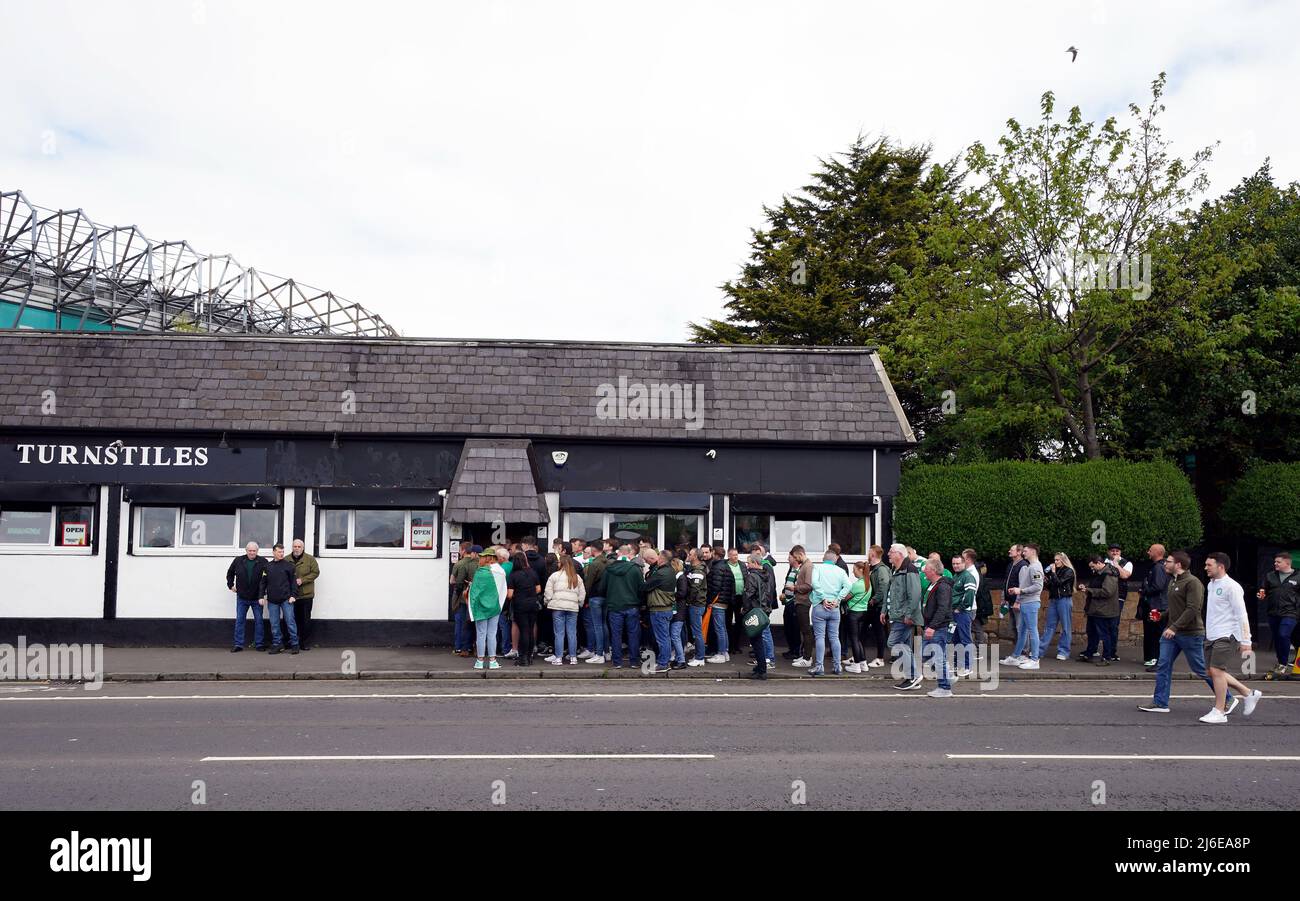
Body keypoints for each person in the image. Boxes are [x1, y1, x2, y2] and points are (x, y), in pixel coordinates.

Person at [1139, 551, 1237, 715]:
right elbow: (1176, 608)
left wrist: (1174, 627)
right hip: (1171, 634)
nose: (1165, 564)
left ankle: (1228, 698)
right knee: (1163, 666)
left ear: (1178, 565)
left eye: (1168, 561)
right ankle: (1160, 702)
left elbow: (1192, 609)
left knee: (1201, 669)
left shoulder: (1193, 583)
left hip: (1191, 634)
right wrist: (1162, 615)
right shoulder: (1173, 581)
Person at [1200, 552, 1263, 723]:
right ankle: (1248, 693)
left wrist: (1246, 641)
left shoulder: (1232, 586)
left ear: (1220, 566)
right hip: (1211, 634)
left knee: (1217, 671)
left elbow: (1242, 614)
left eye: (1209, 565)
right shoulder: (1211, 584)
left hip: (1227, 635)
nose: (1205, 568)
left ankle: (1219, 711)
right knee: (1209, 672)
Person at [885, 543, 923, 690]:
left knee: (893, 643)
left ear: (899, 554)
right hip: (897, 615)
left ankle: (913, 674)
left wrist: (908, 614)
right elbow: (891, 593)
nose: (888, 554)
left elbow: (914, 595)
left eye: (891, 551)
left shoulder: (910, 570)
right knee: (904, 645)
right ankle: (912, 677)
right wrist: (884, 611)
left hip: (904, 617)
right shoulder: (896, 570)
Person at [808, 550, 851, 677]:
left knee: (820, 637)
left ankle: (819, 667)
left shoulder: (817, 568)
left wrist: (822, 598)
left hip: (820, 606)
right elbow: (848, 586)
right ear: (835, 560)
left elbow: (814, 583)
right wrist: (838, 599)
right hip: (834, 608)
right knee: (834, 637)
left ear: (823, 558)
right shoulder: (840, 571)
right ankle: (837, 667)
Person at [1003, 543, 1044, 669]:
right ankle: (1016, 656)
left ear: (1032, 551)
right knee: (1023, 631)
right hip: (1027, 602)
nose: (1023, 553)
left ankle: (1034, 659)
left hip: (1031, 603)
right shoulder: (1032, 566)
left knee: (1032, 631)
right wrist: (1018, 592)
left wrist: (1020, 591)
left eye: (1025, 551)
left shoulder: (1035, 567)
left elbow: (1038, 586)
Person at [1258, 552, 1299, 676]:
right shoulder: (1270, 576)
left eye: (1278, 562)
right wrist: (1261, 594)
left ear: (1287, 563)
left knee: (1283, 634)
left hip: (1291, 612)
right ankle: (1281, 662)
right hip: (1273, 612)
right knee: (1277, 637)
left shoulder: (1298, 576)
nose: (1275, 564)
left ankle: (1283, 663)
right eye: (1275, 561)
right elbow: (1263, 589)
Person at [604, 545, 645, 669]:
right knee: (633, 634)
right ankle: (634, 662)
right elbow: (641, 588)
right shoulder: (635, 569)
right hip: (632, 606)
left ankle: (617, 662)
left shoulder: (609, 569)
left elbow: (602, 587)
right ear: (629, 554)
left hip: (614, 606)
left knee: (616, 635)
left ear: (618, 554)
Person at [740, 551, 776, 679]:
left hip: (754, 611)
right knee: (760, 639)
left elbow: (748, 595)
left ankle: (761, 670)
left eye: (749, 562)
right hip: (764, 610)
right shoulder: (766, 574)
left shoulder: (752, 577)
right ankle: (761, 667)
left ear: (755, 563)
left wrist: (744, 610)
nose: (747, 565)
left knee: (757, 641)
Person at [1078, 555, 1120, 664]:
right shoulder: (1100, 573)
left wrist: (1089, 590)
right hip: (1095, 609)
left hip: (1103, 610)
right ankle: (1089, 653)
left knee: (1104, 634)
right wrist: (1087, 587)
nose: (1092, 569)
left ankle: (1106, 657)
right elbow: (1096, 585)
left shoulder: (1109, 574)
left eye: (1093, 566)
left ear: (1098, 563)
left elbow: (1107, 592)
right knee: (1092, 632)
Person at [227, 541, 268, 652]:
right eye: (250, 550)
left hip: (257, 598)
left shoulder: (263, 562)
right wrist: (231, 585)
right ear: (246, 551)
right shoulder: (238, 560)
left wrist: (264, 594)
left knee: (259, 621)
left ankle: (259, 644)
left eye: (254, 551)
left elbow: (267, 579)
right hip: (242, 597)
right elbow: (230, 573)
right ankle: (238, 644)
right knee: (240, 620)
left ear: (257, 551)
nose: (252, 553)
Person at [545, 553, 585, 665]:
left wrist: (548, 601)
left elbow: (548, 592)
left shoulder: (554, 576)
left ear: (561, 564)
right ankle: (573, 657)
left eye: (558, 562)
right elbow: (582, 594)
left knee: (559, 633)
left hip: (558, 607)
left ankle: (558, 658)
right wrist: (579, 603)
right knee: (572, 632)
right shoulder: (576, 577)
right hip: (572, 608)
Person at [468, 548, 506, 670]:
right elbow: (502, 589)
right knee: (492, 634)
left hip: (481, 608)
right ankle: (492, 661)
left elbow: (475, 592)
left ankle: (479, 661)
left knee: (481, 634)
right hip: (495, 606)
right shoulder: (500, 571)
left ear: (485, 558)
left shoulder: (480, 572)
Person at [921, 559, 954, 697]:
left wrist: (933, 627)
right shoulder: (933, 584)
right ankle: (948, 677)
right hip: (932, 626)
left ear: (933, 570)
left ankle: (945, 687)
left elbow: (942, 608)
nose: (923, 571)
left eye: (926, 569)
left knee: (938, 657)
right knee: (925, 654)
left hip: (938, 628)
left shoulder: (942, 587)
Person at [262, 542, 300, 654]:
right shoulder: (267, 567)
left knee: (290, 622)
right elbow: (263, 583)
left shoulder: (289, 566)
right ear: (274, 552)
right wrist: (261, 596)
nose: (281, 554)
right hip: (272, 600)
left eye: (283, 552)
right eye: (279, 552)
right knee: (274, 624)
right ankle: (277, 644)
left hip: (286, 599)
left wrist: (293, 595)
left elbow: (294, 583)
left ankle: (295, 644)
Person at [644, 548, 677, 674]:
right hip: (666, 609)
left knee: (662, 638)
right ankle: (664, 661)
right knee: (665, 637)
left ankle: (663, 663)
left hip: (659, 609)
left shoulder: (661, 573)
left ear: (662, 558)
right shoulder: (670, 570)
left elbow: (645, 587)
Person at [1138, 544, 1171, 670]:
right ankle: (1151, 658)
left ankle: (1155, 658)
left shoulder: (1158, 568)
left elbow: (1158, 586)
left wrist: (1144, 589)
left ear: (1157, 552)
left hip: (1156, 605)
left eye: (1150, 550)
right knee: (1152, 632)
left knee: (1154, 633)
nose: (1148, 552)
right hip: (1156, 604)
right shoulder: (1159, 567)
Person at [1039, 552, 1076, 661]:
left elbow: (1059, 583)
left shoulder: (1069, 571)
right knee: (1049, 626)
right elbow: (1051, 586)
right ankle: (1040, 650)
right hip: (1054, 600)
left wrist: (1053, 572)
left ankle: (1063, 651)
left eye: (1057, 560)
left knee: (1065, 627)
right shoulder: (1056, 571)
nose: (1055, 562)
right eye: (1054, 560)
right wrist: (1045, 580)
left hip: (1064, 600)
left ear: (1063, 560)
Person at [508, 551, 543, 666]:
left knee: (523, 631)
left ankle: (523, 658)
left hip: (520, 605)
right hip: (533, 604)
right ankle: (529, 656)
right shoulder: (532, 572)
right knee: (530, 630)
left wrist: (519, 593)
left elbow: (510, 594)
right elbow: (538, 589)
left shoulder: (513, 575)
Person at [706, 545, 738, 663]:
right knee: (723, 628)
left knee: (719, 628)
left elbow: (715, 587)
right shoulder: (727, 567)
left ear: (715, 554)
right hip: (724, 601)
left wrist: (709, 601)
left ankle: (721, 653)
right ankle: (725, 652)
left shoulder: (717, 568)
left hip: (717, 602)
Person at [582, 539, 611, 663]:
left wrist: (585, 599)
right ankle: (607, 652)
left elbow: (588, 584)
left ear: (593, 549)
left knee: (597, 626)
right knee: (604, 624)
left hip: (595, 597)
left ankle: (599, 654)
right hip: (606, 596)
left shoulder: (594, 564)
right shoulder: (609, 562)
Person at [449, 545, 480, 658]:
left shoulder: (464, 564)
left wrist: (456, 596)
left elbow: (458, 583)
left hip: (465, 597)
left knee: (464, 623)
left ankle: (463, 648)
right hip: (481, 599)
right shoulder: (486, 566)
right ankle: (477, 648)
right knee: (479, 625)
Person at [288, 538, 319, 651]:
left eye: (299, 547)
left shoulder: (310, 559)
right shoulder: (286, 559)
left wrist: (303, 580)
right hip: (292, 596)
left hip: (306, 595)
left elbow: (316, 572)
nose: (296, 549)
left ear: (303, 548)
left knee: (305, 620)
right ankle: (293, 642)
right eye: (295, 546)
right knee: (292, 620)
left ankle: (304, 643)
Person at [843, 561, 874, 673]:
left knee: (854, 640)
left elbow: (845, 598)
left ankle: (856, 665)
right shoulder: (868, 583)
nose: (853, 571)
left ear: (860, 570)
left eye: (854, 569)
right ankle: (863, 663)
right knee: (859, 640)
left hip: (854, 614)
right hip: (863, 613)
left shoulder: (857, 585)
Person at [950, 553, 977, 677]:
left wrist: (960, 608)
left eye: (958, 563)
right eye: (954, 563)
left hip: (963, 613)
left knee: (965, 639)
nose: (955, 565)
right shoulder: (956, 576)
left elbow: (970, 595)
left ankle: (968, 666)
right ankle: (958, 664)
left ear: (964, 563)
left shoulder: (968, 576)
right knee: (956, 639)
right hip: (955, 613)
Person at [864, 545, 891, 668]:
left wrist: (874, 600)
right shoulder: (871, 568)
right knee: (862, 629)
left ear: (873, 554)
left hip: (878, 606)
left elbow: (884, 587)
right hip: (871, 605)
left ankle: (880, 659)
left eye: (869, 552)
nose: (867, 555)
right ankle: (858, 657)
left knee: (879, 632)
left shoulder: (882, 569)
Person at [790, 546, 817, 667]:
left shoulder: (808, 566)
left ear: (800, 554)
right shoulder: (805, 565)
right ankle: (805, 655)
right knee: (804, 630)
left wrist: (795, 588)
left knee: (806, 631)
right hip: (800, 601)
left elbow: (808, 585)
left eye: (796, 557)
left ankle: (807, 658)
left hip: (804, 601)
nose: (795, 559)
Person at [685, 547, 712, 666]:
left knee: (697, 633)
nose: (688, 556)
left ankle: (700, 658)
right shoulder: (695, 569)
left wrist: (688, 601)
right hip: (696, 604)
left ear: (695, 556)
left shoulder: (698, 571)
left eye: (690, 554)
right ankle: (699, 656)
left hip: (696, 605)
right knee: (697, 631)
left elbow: (695, 589)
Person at [669, 551, 690, 670]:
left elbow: (682, 593)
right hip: (678, 610)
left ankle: (681, 660)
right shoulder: (680, 577)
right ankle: (678, 658)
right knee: (676, 635)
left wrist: (671, 595)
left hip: (679, 610)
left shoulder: (681, 578)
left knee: (675, 636)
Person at [1003, 544, 1025, 643]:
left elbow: (1022, 585)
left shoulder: (1023, 565)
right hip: (1010, 601)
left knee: (1020, 627)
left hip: (1017, 602)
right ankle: (1018, 651)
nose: (1009, 551)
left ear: (1019, 552)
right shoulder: (1010, 565)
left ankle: (1024, 651)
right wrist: (1004, 598)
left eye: (1011, 550)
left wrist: (1018, 601)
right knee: (1014, 627)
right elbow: (1006, 582)